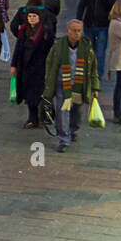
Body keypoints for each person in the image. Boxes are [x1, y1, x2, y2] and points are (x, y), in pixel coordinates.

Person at [43, 19, 100, 153]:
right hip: (62, 83)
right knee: (63, 111)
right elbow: (50, 63)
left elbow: (93, 68)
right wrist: (47, 83)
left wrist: (95, 87)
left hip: (79, 85)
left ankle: (72, 130)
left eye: (79, 30)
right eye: (74, 30)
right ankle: (64, 139)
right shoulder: (58, 45)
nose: (76, 33)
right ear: (68, 31)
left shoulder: (86, 47)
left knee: (77, 112)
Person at [12, 8, 53, 129]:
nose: (32, 18)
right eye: (30, 16)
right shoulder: (24, 30)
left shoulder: (45, 31)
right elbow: (18, 48)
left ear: (39, 18)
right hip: (26, 67)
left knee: (40, 94)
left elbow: (51, 50)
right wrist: (14, 65)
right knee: (29, 94)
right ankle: (32, 118)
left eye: (34, 16)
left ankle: (42, 118)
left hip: (40, 68)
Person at [76, 0, 116, 80]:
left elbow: (112, 6)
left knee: (100, 52)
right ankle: (89, 73)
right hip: (89, 25)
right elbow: (82, 5)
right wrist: (78, 20)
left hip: (103, 26)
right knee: (89, 51)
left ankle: (97, 76)